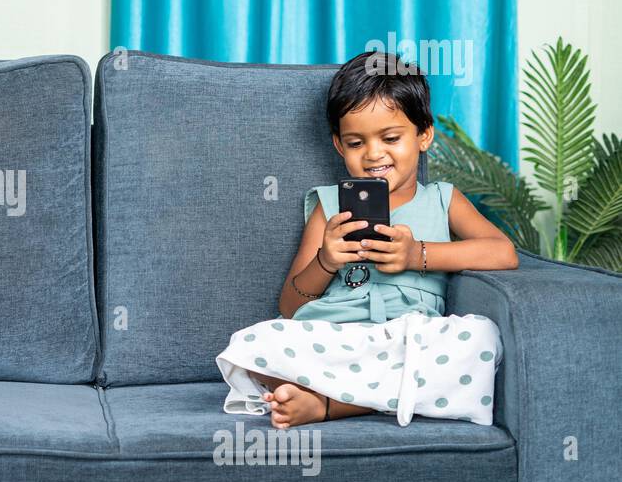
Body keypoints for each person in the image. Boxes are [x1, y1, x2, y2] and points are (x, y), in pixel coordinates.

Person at [216, 51, 518, 428]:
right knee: (250, 344)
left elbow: (503, 252)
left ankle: (328, 405)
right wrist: (325, 262)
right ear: (339, 145)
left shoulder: (443, 199)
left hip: (408, 342)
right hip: (335, 338)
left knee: (480, 337)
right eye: (356, 143)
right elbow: (291, 305)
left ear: (424, 135)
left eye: (390, 137)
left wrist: (416, 255)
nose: (374, 154)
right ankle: (373, 398)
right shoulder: (329, 206)